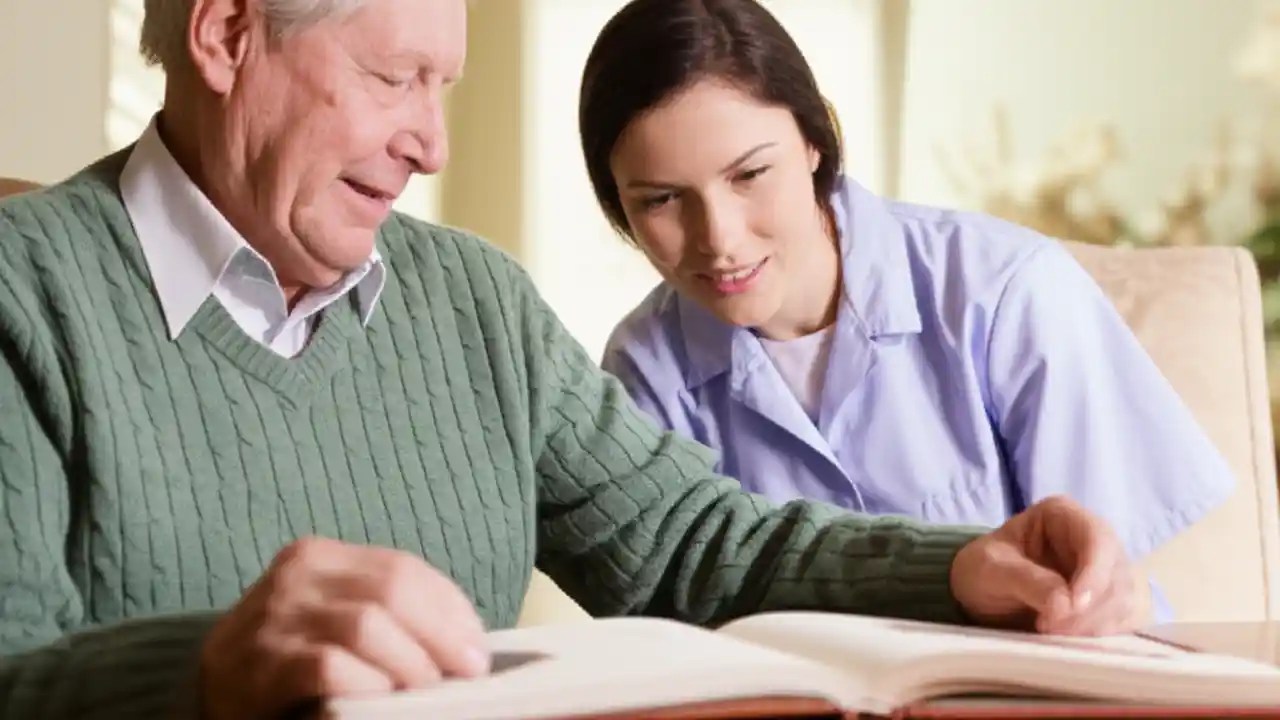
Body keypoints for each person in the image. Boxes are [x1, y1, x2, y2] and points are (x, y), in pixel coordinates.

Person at [0, 0, 1151, 718]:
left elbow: (699, 547)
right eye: (395, 77)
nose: (429, 144)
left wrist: (960, 568)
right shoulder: (23, 294)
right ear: (225, 32)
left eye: (443, 89)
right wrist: (210, 675)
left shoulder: (474, 301)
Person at [584, 0, 1234, 622]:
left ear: (816, 139)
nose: (719, 239)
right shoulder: (643, 371)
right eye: (662, 200)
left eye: (750, 175)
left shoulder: (1008, 293)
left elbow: (1111, 596)